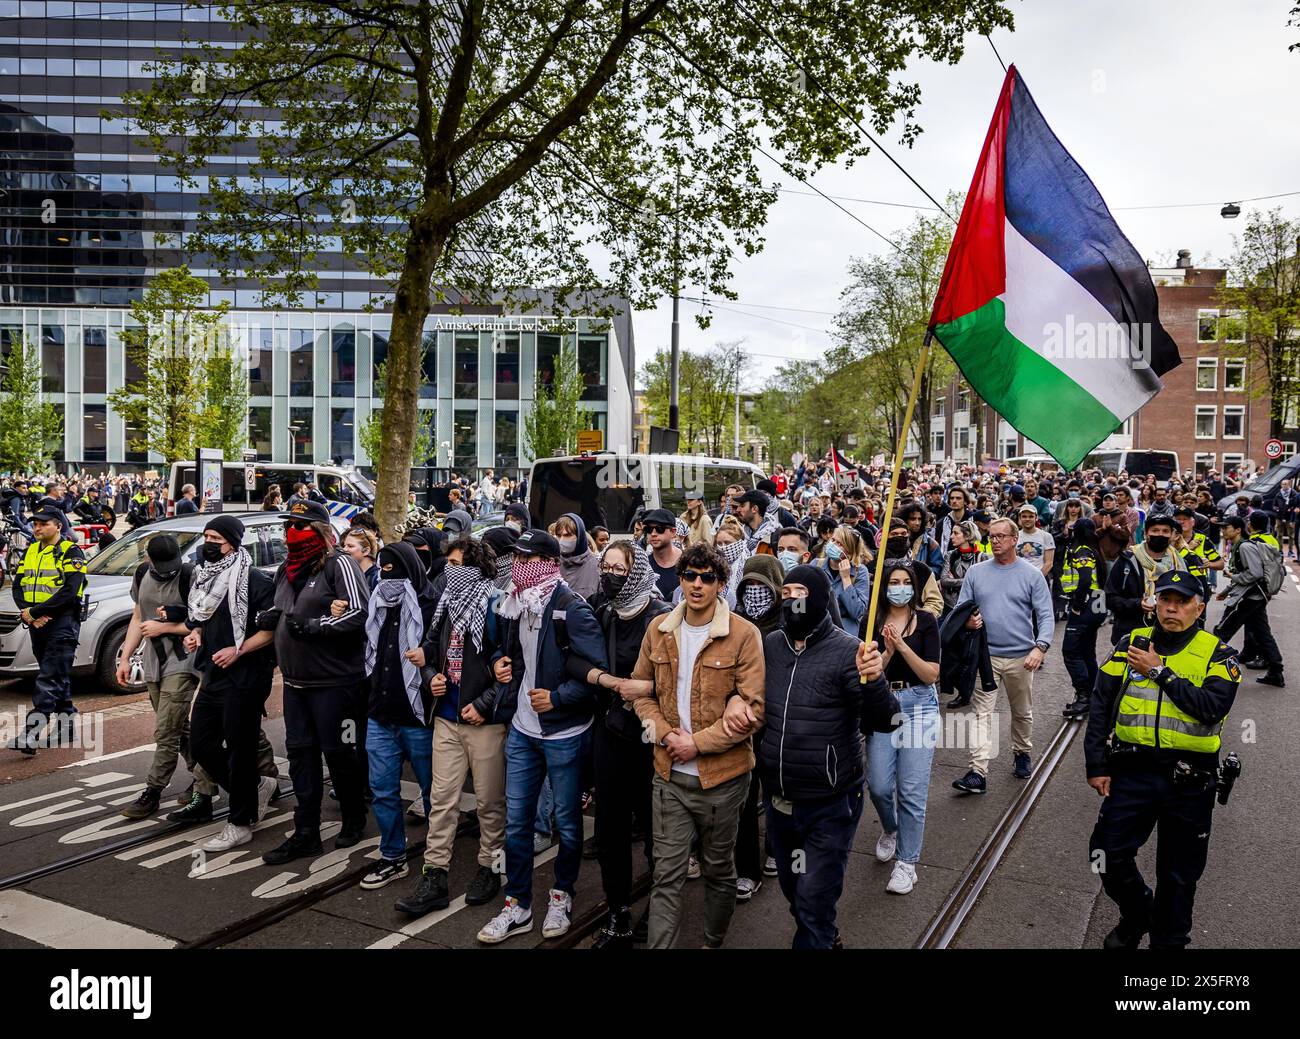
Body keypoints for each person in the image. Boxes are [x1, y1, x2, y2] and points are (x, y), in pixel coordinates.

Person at [711, 565, 888, 947]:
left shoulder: (848, 652)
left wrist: (874, 680)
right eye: (786, 592)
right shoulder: (769, 645)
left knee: (814, 895)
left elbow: (885, 721)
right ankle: (826, 934)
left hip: (830, 805)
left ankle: (818, 936)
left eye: (800, 592)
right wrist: (735, 700)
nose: (791, 599)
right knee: (795, 887)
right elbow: (742, 689)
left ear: (820, 599)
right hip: (780, 805)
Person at [1085, 570, 1240, 949]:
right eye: (1165, 600)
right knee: (1104, 854)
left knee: (1179, 874)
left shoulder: (1217, 653)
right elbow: (1101, 703)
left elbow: (1210, 708)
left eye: (1182, 602)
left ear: (1199, 608)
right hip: (1131, 772)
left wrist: (1158, 672)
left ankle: (1168, 942)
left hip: (1189, 782)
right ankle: (1138, 913)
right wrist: (1096, 764)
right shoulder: (1129, 642)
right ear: (1155, 604)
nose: (1171, 608)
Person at [625, 541, 765, 949]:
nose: (697, 584)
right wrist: (666, 735)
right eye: (689, 576)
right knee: (665, 876)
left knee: (718, 870)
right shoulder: (659, 628)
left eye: (707, 577)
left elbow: (753, 711)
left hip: (721, 781)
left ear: (721, 583)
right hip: (668, 778)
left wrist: (698, 744)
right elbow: (641, 692)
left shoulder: (743, 634)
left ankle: (711, 941)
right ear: (680, 580)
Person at [476, 529, 607, 944]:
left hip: (563, 733)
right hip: (522, 731)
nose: (518, 565)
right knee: (517, 824)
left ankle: (561, 894)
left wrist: (558, 696)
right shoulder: (517, 603)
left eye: (527, 558)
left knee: (567, 824)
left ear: (548, 564)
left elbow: (596, 674)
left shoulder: (573, 610)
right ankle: (517, 905)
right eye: (515, 557)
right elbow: (502, 650)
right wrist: (500, 665)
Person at [394, 537, 510, 911]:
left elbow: (507, 668)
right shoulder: (446, 603)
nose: (450, 570)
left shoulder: (496, 606)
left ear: (477, 568)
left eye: (459, 564)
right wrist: (429, 675)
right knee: (442, 802)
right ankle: (434, 876)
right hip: (446, 719)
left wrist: (483, 705)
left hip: (484, 724)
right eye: (449, 563)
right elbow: (430, 648)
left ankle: (490, 867)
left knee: (490, 802)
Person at [565, 541, 671, 947]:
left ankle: (659, 908)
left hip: (649, 738)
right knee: (609, 831)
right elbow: (574, 659)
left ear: (637, 571)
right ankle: (618, 911)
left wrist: (644, 686)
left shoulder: (661, 618)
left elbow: (682, 679)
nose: (609, 574)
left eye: (619, 568)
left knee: (654, 828)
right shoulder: (601, 611)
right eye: (605, 566)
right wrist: (605, 680)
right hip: (610, 733)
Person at [263, 500, 371, 865]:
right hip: (295, 684)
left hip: (335, 684)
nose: (293, 531)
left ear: (322, 531)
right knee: (300, 756)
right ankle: (305, 831)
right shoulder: (286, 569)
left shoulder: (339, 564)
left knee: (340, 753)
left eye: (302, 525)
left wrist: (316, 626)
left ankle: (354, 817)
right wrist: (270, 618)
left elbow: (359, 613)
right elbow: (281, 610)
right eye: (289, 524)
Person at [185, 515, 280, 850]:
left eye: (216, 538)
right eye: (206, 536)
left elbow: (270, 631)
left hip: (246, 676)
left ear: (234, 543)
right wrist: (195, 634)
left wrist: (238, 650)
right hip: (213, 674)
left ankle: (240, 821)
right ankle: (256, 786)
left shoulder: (255, 582)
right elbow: (198, 619)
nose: (208, 544)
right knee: (201, 744)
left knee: (240, 750)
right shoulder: (201, 577)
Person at [951, 517, 1054, 794]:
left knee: (1021, 712)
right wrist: (967, 622)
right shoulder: (976, 572)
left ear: (1014, 540)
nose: (995, 541)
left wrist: (1040, 647)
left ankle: (1022, 751)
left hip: (1022, 656)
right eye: (992, 536)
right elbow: (962, 608)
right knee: (981, 714)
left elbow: (1045, 614)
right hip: (985, 657)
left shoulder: (1032, 575)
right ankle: (977, 771)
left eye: (1000, 536)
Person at [116, 535, 208, 818]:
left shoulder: (191, 574)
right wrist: (125, 658)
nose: (169, 570)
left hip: (183, 661)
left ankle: (152, 791)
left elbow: (202, 622)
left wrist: (165, 628)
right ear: (149, 559)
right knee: (178, 727)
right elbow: (137, 617)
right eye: (163, 565)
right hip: (153, 660)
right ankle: (208, 777)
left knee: (166, 730)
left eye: (173, 564)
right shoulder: (142, 573)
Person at [865, 560, 941, 896]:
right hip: (884, 703)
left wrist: (903, 646)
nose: (898, 587)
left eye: (904, 581)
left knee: (911, 790)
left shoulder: (926, 621)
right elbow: (867, 674)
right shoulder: (873, 623)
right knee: (879, 785)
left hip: (920, 705)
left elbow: (931, 675)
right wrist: (886, 652)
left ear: (913, 587)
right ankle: (891, 828)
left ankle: (907, 864)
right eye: (892, 581)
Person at [6, 503, 86, 753]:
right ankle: (67, 726)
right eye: (35, 524)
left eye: (43, 523)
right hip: (37, 624)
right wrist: (28, 614)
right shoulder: (31, 550)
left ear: (58, 526)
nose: (37, 527)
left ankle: (30, 733)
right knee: (56, 675)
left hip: (62, 624)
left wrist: (37, 612)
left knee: (48, 678)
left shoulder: (71, 552)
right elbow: (18, 585)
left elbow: (70, 592)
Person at [1213, 514, 1284, 687]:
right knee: (1262, 634)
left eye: (1226, 527)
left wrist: (1232, 576)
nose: (1223, 531)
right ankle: (1276, 671)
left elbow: (1254, 573)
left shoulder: (1244, 547)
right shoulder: (1239, 545)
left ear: (1237, 529)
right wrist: (1227, 590)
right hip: (1254, 597)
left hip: (1248, 598)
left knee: (1222, 631)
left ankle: (1201, 667)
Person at [1105, 514, 1187, 648]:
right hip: (1132, 635)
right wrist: (1137, 604)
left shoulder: (1180, 564)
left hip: (1170, 636)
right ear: (1146, 534)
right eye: (1155, 531)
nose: (1160, 534)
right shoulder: (1127, 561)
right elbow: (1110, 598)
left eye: (1165, 531)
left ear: (1172, 535)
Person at [1059, 518, 1106, 720]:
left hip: (1086, 606)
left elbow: (1085, 578)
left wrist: (1077, 604)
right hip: (1097, 605)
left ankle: (1084, 696)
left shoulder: (1082, 550)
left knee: (1070, 651)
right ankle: (1093, 694)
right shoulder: (1094, 549)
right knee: (1087, 651)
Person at [818, 524, 872, 634]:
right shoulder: (817, 565)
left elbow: (858, 612)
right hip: (818, 627)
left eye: (839, 544)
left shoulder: (859, 571)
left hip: (845, 632)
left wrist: (846, 579)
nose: (833, 545)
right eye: (833, 540)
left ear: (849, 551)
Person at [938, 518, 989, 613]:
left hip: (974, 608)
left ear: (967, 536)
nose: (951, 536)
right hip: (950, 607)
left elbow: (984, 583)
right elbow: (944, 581)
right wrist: (970, 581)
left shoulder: (981, 557)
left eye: (956, 533)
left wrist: (954, 580)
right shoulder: (950, 555)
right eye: (952, 533)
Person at [552, 512, 600, 599]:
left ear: (580, 536)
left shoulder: (597, 567)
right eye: (559, 535)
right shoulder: (552, 565)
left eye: (568, 535)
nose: (562, 540)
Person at [642, 508, 682, 601]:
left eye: (660, 529)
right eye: (649, 529)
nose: (653, 534)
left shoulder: (688, 562)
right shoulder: (643, 566)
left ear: (673, 532)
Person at [1015, 503, 1054, 580]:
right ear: (1020, 518)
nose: (1027, 519)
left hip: (1041, 577)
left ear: (1036, 518)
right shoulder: (1015, 536)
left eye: (1031, 516)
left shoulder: (1046, 536)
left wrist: (1037, 579)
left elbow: (1049, 563)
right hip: (1020, 578)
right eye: (1024, 516)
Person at [342, 526, 381, 592]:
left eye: (350, 546)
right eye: (344, 546)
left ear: (366, 551)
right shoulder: (348, 572)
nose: (344, 549)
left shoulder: (377, 578)